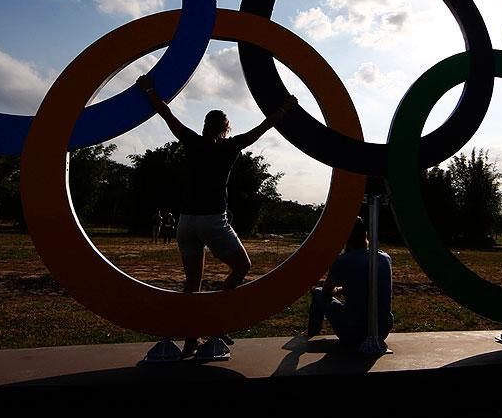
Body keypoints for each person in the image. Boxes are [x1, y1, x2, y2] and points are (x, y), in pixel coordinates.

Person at [137, 74, 297, 358]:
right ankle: (214, 323)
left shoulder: (191, 140)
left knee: (192, 284)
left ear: (204, 125)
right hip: (213, 220)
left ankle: (190, 340)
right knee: (242, 266)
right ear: (225, 128)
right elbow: (262, 128)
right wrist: (285, 108)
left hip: (186, 222)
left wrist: (149, 89)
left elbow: (166, 113)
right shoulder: (230, 146)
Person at [307, 217, 393, 349]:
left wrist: (338, 290)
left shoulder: (342, 261)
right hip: (382, 331)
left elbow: (327, 292)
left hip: (353, 333)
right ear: (365, 234)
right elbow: (367, 285)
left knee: (317, 292)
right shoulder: (385, 258)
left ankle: (311, 334)